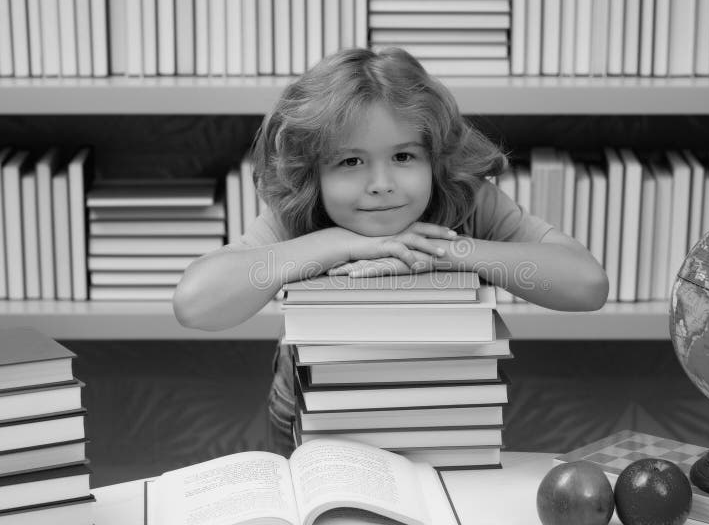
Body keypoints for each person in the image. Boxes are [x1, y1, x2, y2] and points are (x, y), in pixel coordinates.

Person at [173, 47, 608, 457]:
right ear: (313, 172)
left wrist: (450, 248)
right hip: (310, 415)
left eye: (403, 156)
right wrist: (335, 243)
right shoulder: (299, 217)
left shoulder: (466, 200)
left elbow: (587, 286)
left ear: (435, 159)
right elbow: (194, 304)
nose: (381, 183)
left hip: (442, 416)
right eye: (350, 161)